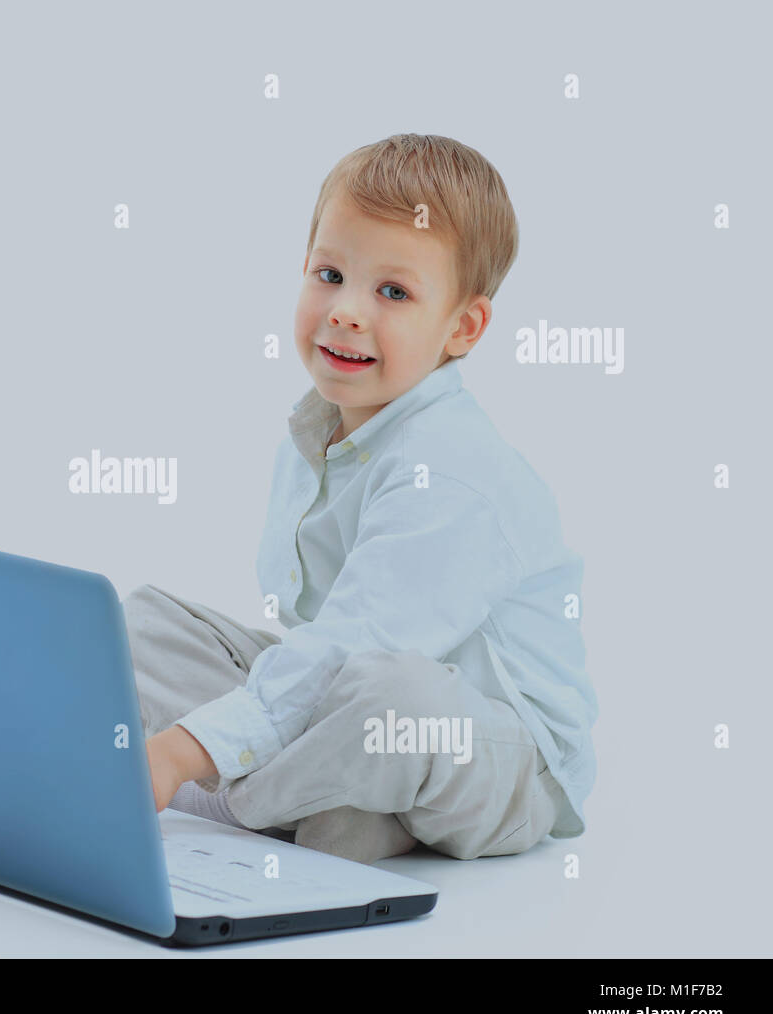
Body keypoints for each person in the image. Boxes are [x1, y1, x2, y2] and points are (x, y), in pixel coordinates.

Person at [125, 133, 596, 863]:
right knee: (144, 625)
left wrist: (184, 753)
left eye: (393, 292)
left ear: (462, 327)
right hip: (348, 693)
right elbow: (314, 643)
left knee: (392, 695)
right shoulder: (317, 430)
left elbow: (360, 645)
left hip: (501, 759)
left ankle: (237, 800)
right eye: (330, 273)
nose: (345, 311)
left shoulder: (450, 467)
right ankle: (344, 809)